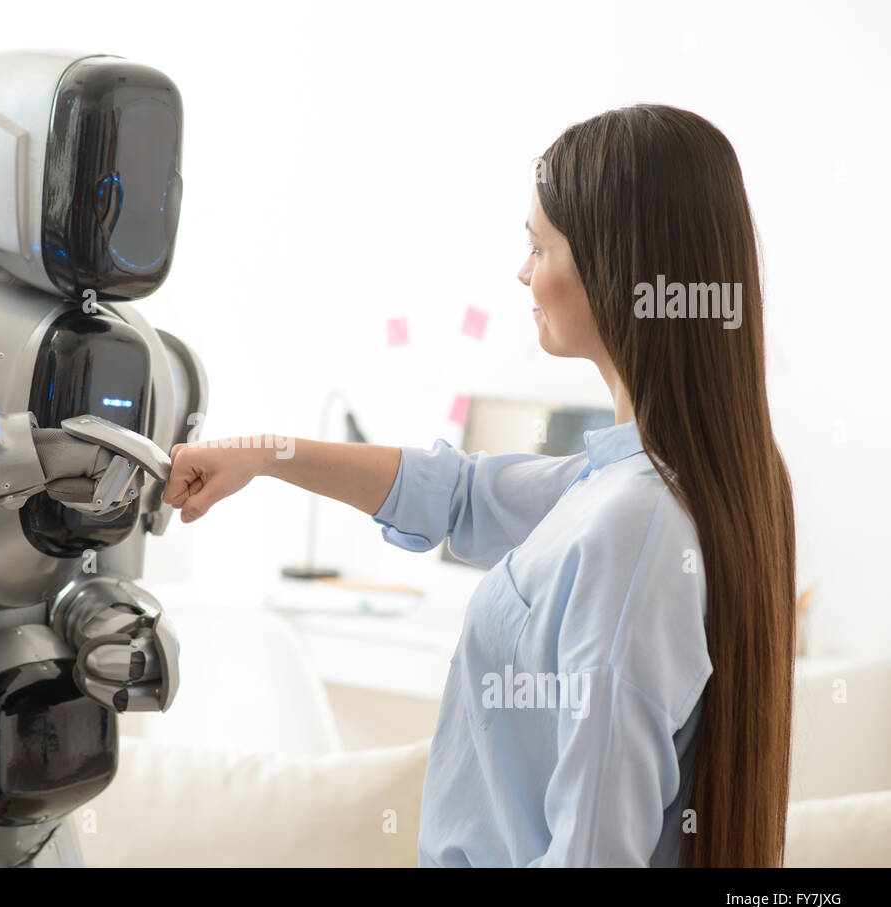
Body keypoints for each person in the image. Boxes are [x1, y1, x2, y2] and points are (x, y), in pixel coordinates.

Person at [161, 104, 796, 867]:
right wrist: (265, 453)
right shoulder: (631, 479)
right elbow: (456, 493)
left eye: (538, 246)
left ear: (616, 267)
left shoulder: (635, 524)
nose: (523, 271)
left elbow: (594, 854)